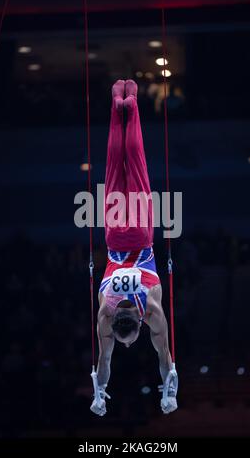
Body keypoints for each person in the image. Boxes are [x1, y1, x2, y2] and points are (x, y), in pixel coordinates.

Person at [90, 79, 178, 416]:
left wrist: (168, 394)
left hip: (141, 233)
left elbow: (167, 361)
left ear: (139, 322)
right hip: (114, 235)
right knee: (115, 165)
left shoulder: (151, 311)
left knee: (136, 162)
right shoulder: (106, 313)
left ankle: (133, 101)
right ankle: (117, 103)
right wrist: (98, 392)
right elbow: (103, 362)